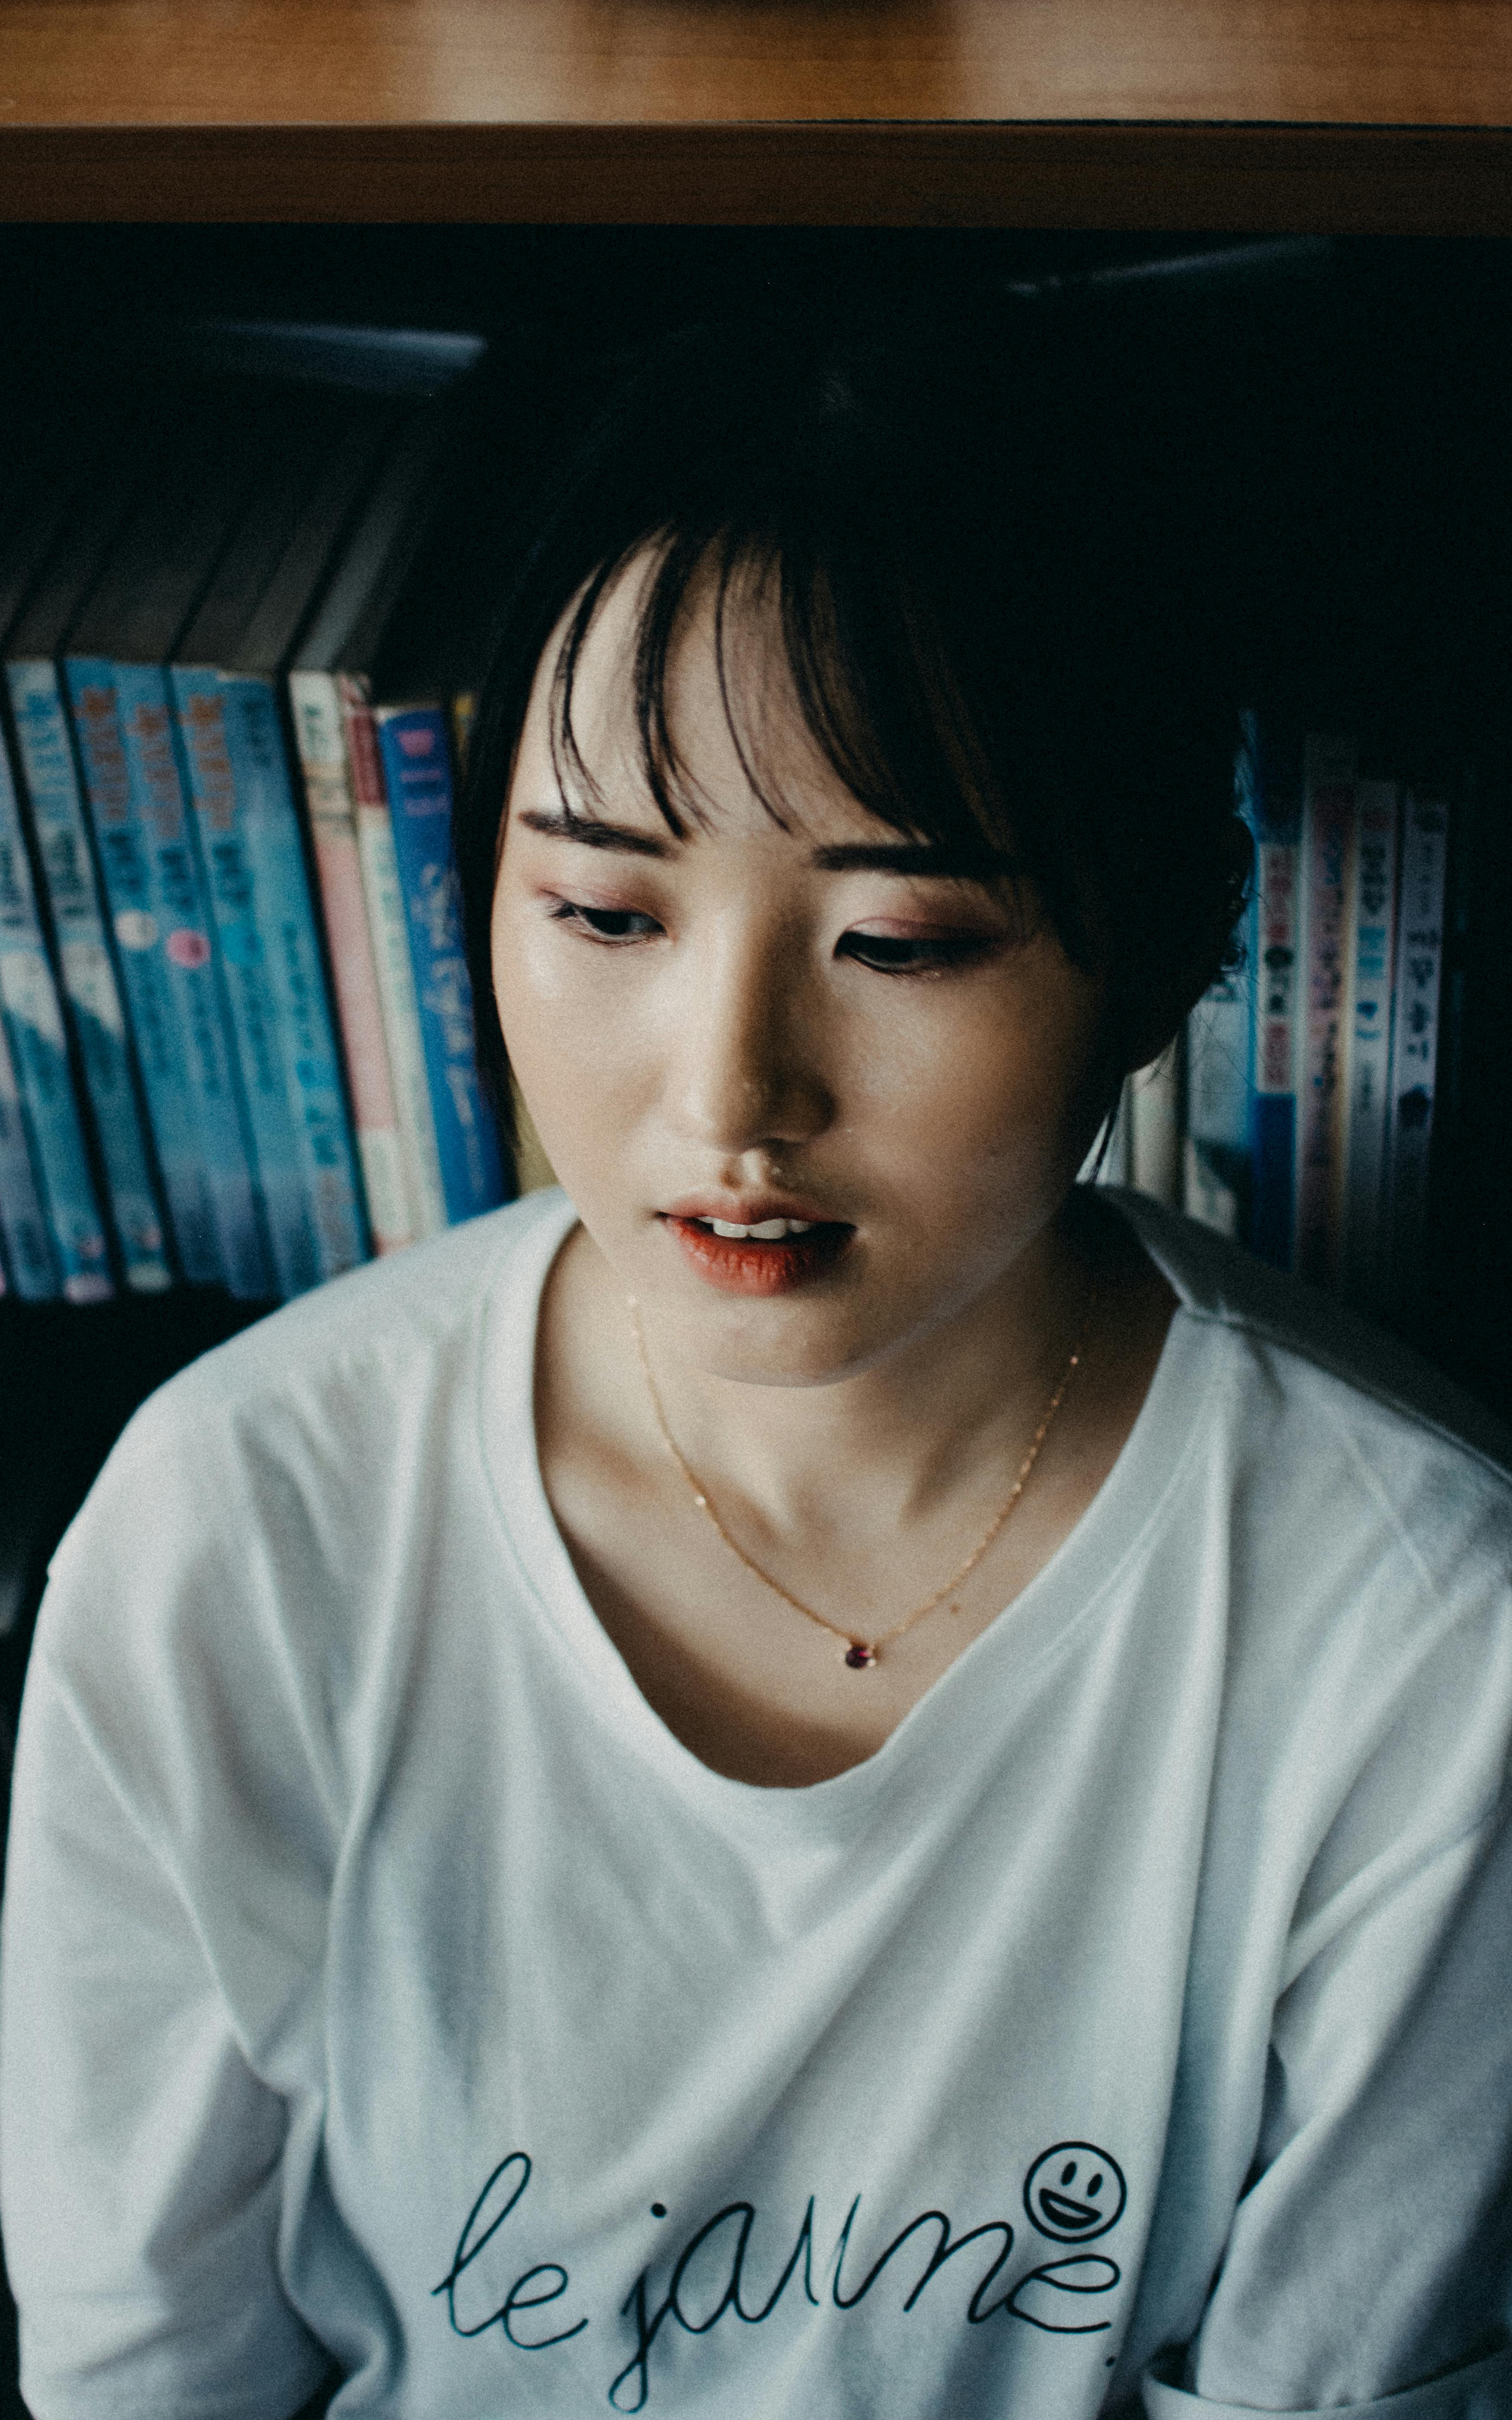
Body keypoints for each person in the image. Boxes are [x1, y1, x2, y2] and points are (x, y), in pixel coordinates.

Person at [2, 317, 1509, 2420]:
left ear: (1163, 950)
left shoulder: (1429, 1646)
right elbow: (137, 2369)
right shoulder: (235, 1532)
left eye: (899, 944)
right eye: (606, 913)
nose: (730, 1095)